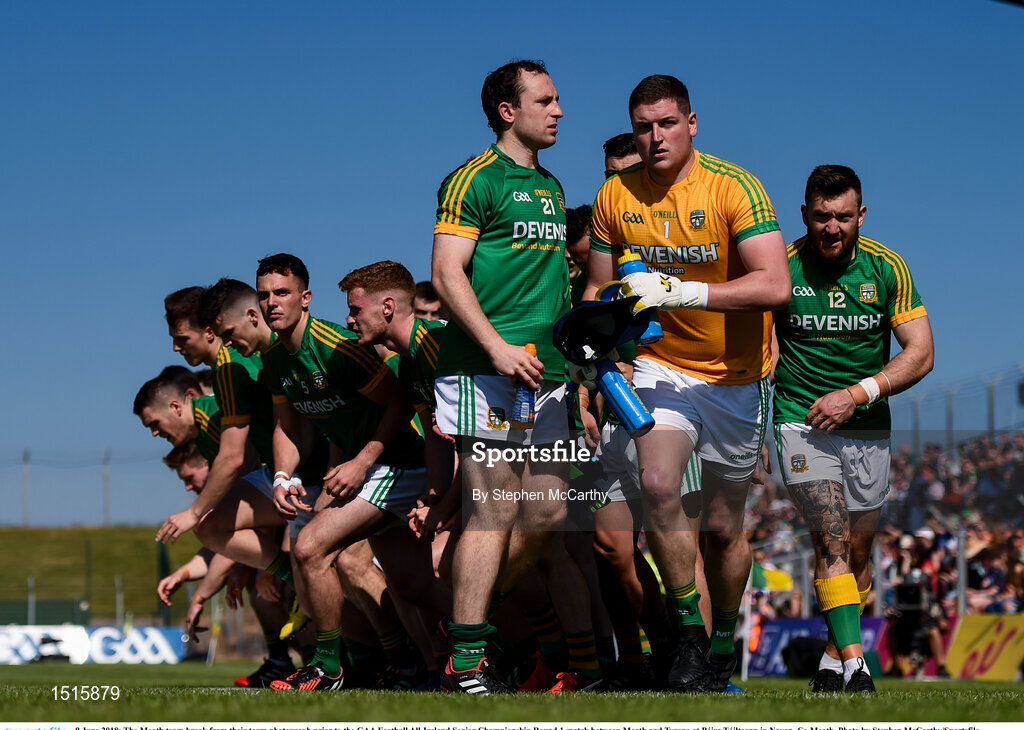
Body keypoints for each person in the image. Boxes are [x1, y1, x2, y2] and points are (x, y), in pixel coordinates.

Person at [584, 74, 790, 692]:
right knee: (657, 483)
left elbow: (775, 284)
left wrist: (680, 290)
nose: (655, 137)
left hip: (736, 378)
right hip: (660, 367)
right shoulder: (613, 196)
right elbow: (596, 287)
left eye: (667, 123)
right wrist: (601, 338)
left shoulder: (734, 186)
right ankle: (688, 639)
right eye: (644, 126)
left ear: (692, 123)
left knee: (725, 528)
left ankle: (723, 638)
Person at [432, 59, 600, 694]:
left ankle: (471, 624)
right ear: (509, 110)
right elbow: (447, 273)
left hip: (550, 373)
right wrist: (497, 346)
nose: (559, 111)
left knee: (550, 512)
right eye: (547, 100)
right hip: (485, 368)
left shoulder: (554, 188)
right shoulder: (472, 179)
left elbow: (556, 288)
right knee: (495, 506)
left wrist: (579, 370)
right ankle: (468, 663)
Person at [773, 164, 933, 693]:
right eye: (821, 218)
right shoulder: (782, 267)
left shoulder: (887, 269)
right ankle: (857, 665)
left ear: (861, 215)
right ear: (805, 216)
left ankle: (828, 659)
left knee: (857, 556)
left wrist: (857, 394)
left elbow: (922, 353)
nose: (832, 228)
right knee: (831, 529)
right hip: (800, 420)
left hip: (866, 428)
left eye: (843, 217)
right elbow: (758, 350)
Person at [251, 254, 437, 692]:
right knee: (409, 584)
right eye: (264, 294)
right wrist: (282, 477)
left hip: (401, 463)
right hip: (369, 468)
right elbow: (287, 426)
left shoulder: (338, 347)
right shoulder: (277, 359)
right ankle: (432, 666)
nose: (271, 303)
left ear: (305, 298)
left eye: (282, 293)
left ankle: (329, 666)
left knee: (312, 548)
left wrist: (361, 462)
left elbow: (399, 404)